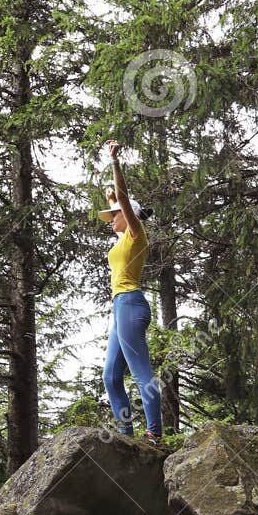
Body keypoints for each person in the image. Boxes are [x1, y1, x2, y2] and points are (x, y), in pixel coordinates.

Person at [100, 140, 162, 441]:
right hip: (120, 307)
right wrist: (109, 192)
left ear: (129, 215)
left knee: (140, 372)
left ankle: (153, 433)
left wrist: (115, 162)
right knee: (111, 377)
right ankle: (125, 434)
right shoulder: (123, 239)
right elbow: (115, 197)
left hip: (131, 304)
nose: (111, 218)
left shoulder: (137, 235)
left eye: (115, 214)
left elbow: (122, 198)